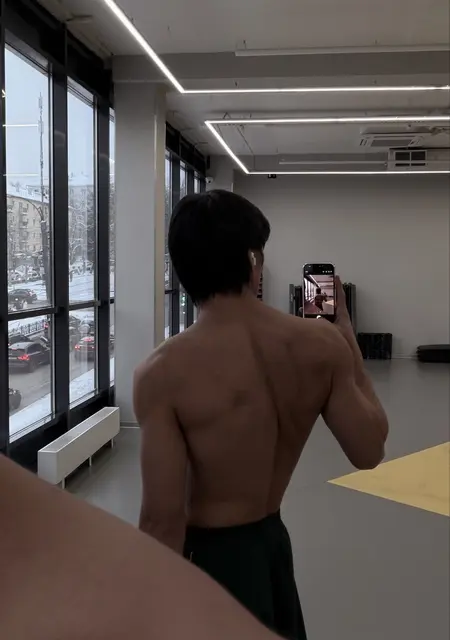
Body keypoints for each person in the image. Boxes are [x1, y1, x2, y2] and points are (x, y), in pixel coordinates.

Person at [134, 190, 389, 640]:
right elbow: (369, 451)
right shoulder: (321, 345)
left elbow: (162, 519)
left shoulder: (163, 371)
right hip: (271, 547)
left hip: (209, 561)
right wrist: (346, 336)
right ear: (254, 261)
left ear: (181, 268)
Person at [0, 453, 281, 640]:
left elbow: (161, 519)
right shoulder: (300, 376)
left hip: (217, 551)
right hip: (276, 540)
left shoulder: (163, 383)